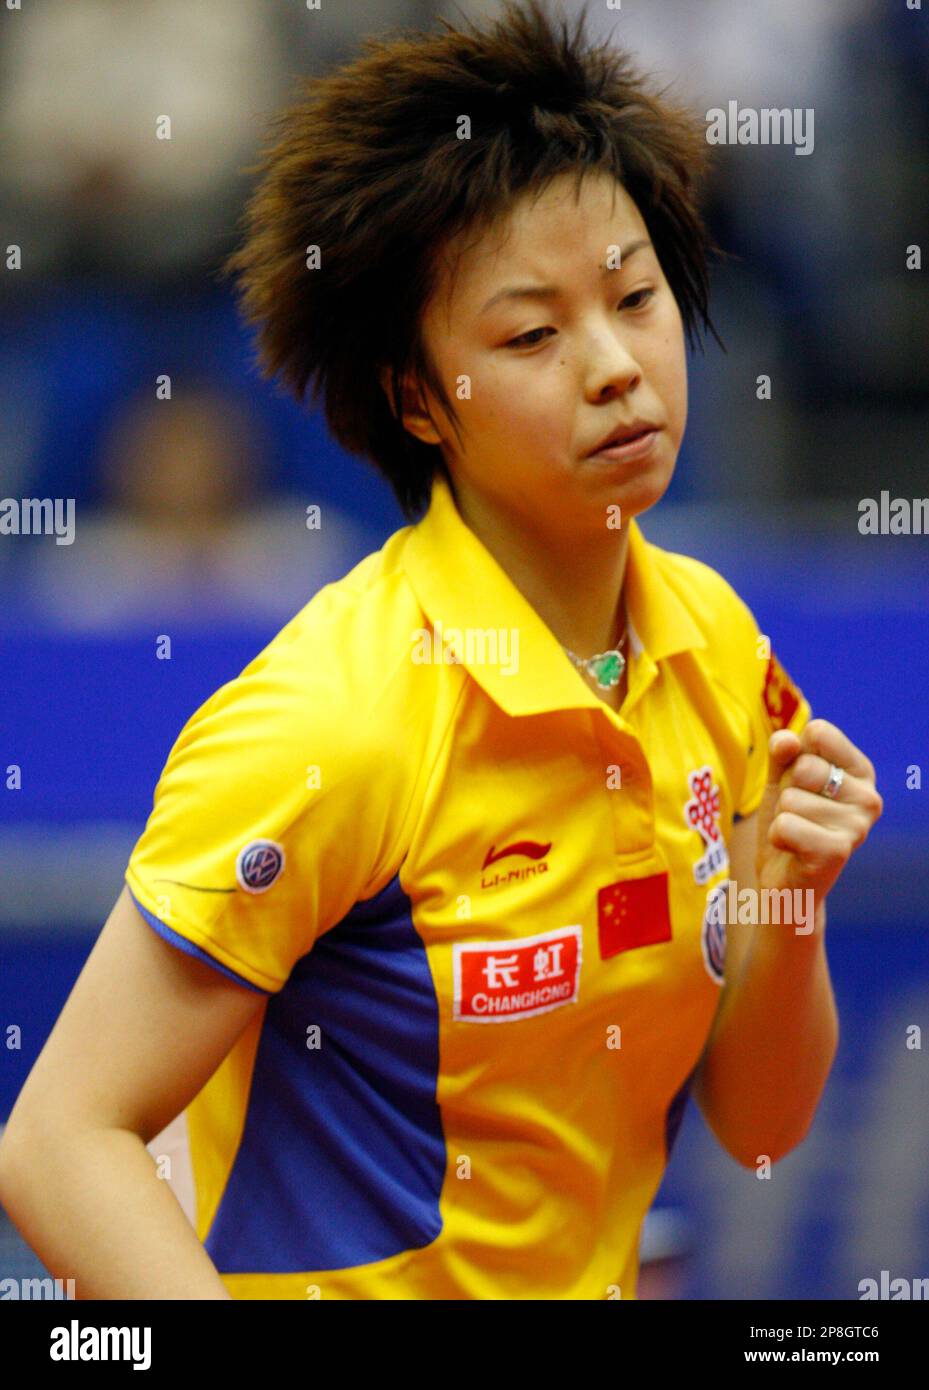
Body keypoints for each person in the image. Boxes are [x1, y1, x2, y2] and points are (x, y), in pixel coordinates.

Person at [0, 0, 882, 1300]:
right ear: (419, 396)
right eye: (530, 334)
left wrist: (789, 906)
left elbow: (756, 1127)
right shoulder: (334, 722)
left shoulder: (714, 643)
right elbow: (59, 1143)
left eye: (634, 298)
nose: (614, 367)